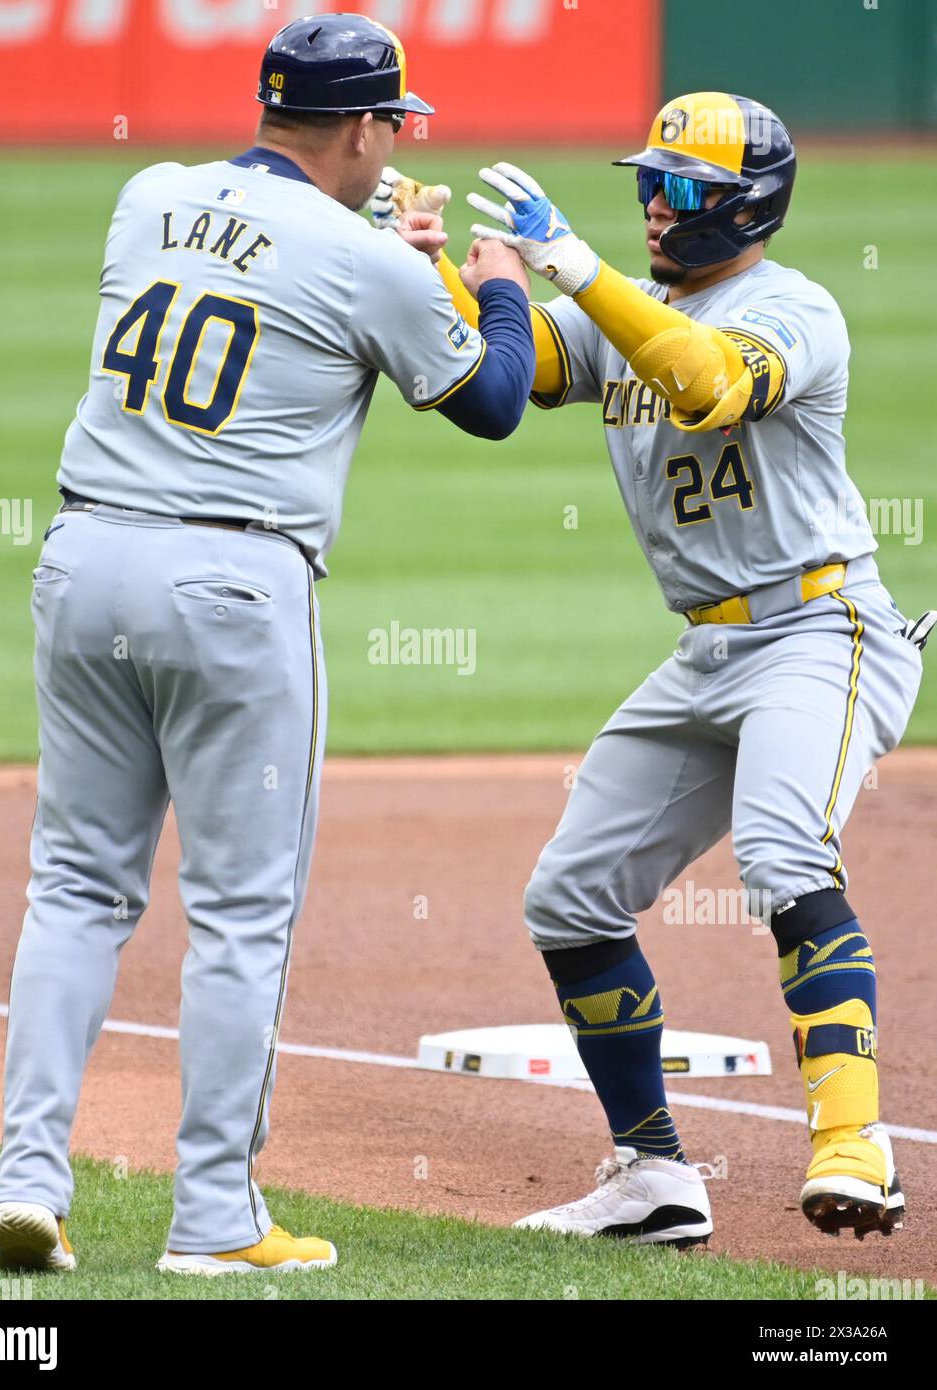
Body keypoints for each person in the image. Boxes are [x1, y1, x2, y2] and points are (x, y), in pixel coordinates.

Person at [0, 12, 534, 1277]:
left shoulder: (147, 194)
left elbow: (263, 275)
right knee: (238, 914)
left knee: (72, 887)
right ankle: (216, 1221)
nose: (400, 141)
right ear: (359, 128)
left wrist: (381, 256)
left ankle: (28, 1181)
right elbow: (494, 402)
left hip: (84, 559)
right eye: (395, 123)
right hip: (232, 582)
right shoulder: (370, 260)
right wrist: (488, 278)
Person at [386, 91, 931, 1245]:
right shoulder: (635, 307)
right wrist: (447, 274)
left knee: (783, 852)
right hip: (707, 647)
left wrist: (570, 262)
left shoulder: (792, 311)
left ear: (746, 205)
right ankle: (651, 1175)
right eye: (645, 182)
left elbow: (702, 383)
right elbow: (525, 368)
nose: (651, 206)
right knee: (568, 897)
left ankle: (852, 1145)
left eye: (677, 188)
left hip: (816, 632)